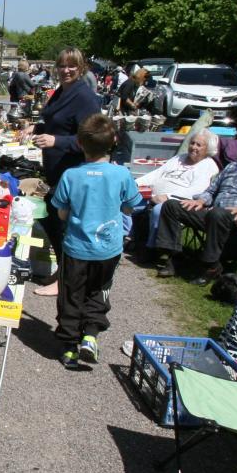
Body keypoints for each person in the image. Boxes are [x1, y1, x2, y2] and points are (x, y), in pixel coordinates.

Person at [49, 114, 141, 369]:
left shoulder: (70, 176)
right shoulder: (122, 174)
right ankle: (90, 334)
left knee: (71, 294)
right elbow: (131, 208)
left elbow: (62, 212)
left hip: (77, 248)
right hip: (108, 249)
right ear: (113, 140)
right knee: (98, 291)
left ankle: (69, 345)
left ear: (79, 143)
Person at [153, 130, 237, 285]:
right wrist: (202, 201)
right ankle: (173, 257)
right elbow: (211, 191)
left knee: (218, 214)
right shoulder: (233, 167)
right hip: (214, 214)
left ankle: (210, 266)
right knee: (172, 206)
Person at [24, 46, 103, 296]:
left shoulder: (85, 97)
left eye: (72, 66)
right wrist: (35, 129)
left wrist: (56, 141)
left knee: (64, 225)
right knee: (52, 218)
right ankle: (63, 271)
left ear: (80, 69)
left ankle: (67, 280)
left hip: (75, 171)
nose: (66, 70)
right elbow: (54, 121)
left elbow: (91, 137)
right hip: (58, 171)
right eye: (62, 65)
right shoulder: (62, 91)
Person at [131, 128, 219, 254]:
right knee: (127, 199)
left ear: (207, 149)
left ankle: (151, 248)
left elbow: (197, 190)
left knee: (158, 209)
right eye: (192, 143)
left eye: (198, 145)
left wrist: (167, 197)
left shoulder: (208, 165)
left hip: (176, 202)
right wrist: (135, 183)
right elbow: (157, 174)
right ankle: (128, 238)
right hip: (152, 195)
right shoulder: (179, 158)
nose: (193, 147)